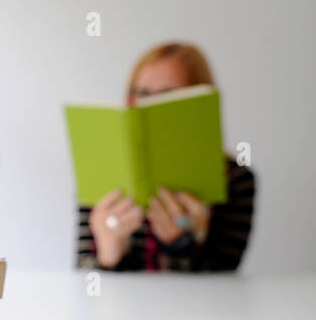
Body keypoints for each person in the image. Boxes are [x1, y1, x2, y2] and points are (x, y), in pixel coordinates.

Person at [77, 42, 255, 272]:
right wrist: (109, 252)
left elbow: (222, 283)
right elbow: (83, 283)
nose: (147, 106)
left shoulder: (235, 178)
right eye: (141, 94)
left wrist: (183, 244)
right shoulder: (99, 171)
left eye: (167, 97)